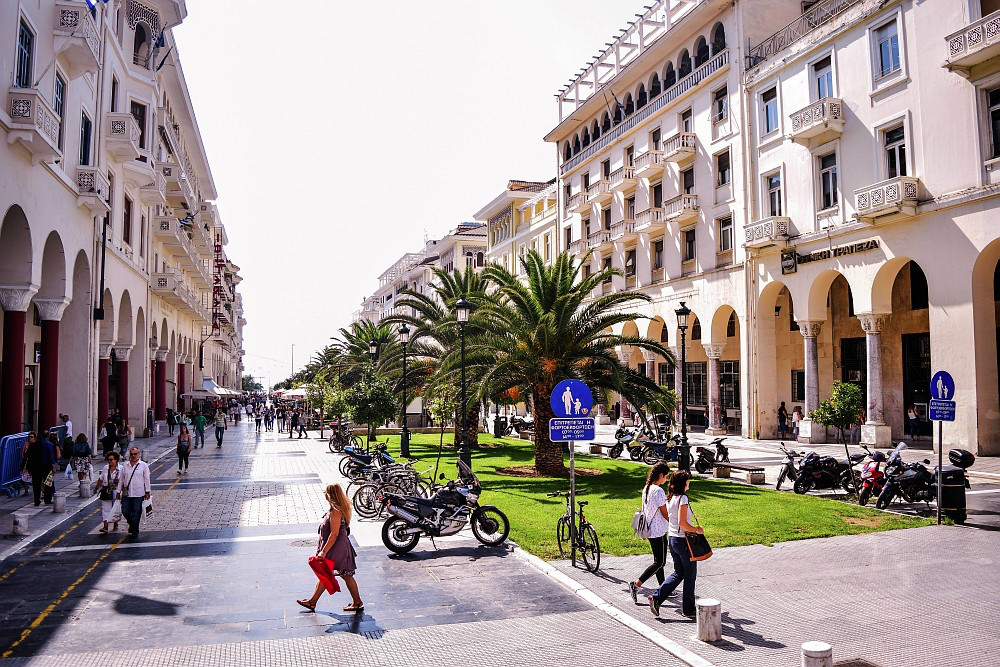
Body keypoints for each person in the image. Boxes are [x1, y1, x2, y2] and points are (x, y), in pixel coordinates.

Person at [296, 483, 363, 613]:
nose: (324, 494)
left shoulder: (335, 512)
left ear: (330, 495)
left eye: (325, 492)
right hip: (339, 548)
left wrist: (324, 551)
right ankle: (313, 602)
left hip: (337, 549)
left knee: (336, 574)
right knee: (337, 575)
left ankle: (357, 602)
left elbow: (334, 534)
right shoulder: (337, 509)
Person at [648, 470, 702, 619]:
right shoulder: (683, 499)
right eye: (688, 481)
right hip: (683, 540)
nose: (689, 483)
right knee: (690, 575)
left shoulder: (670, 498)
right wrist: (697, 530)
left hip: (672, 539)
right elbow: (683, 524)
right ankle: (688, 609)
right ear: (683, 483)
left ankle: (656, 597)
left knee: (679, 573)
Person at [630, 462, 672, 604]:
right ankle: (636, 584)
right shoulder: (658, 490)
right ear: (660, 475)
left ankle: (663, 588)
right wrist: (674, 522)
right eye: (666, 476)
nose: (667, 479)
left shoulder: (647, 487)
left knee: (659, 561)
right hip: (658, 530)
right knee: (659, 562)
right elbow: (664, 511)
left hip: (650, 529)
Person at [117, 447, 151, 538]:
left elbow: (147, 479)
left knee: (136, 512)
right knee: (125, 511)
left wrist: (147, 491)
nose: (133, 456)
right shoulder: (125, 465)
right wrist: (118, 491)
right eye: (131, 454)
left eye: (135, 454)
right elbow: (121, 479)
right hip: (127, 493)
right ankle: (132, 524)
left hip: (138, 493)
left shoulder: (143, 465)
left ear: (138, 454)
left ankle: (135, 530)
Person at [23, 432, 57, 506]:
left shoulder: (32, 445)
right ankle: (47, 499)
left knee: (36, 484)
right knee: (48, 483)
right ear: (47, 437)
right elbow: (51, 456)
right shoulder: (49, 444)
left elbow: (27, 456)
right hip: (46, 466)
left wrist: (28, 467)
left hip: (35, 467)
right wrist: (53, 466)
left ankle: (37, 500)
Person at [94, 452, 121, 533]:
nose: (109, 461)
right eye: (108, 460)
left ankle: (115, 524)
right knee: (105, 509)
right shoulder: (105, 468)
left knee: (115, 508)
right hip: (106, 491)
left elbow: (125, 480)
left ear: (116, 460)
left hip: (116, 491)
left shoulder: (121, 469)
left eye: (111, 460)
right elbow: (101, 478)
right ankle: (105, 526)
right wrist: (96, 487)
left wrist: (119, 481)